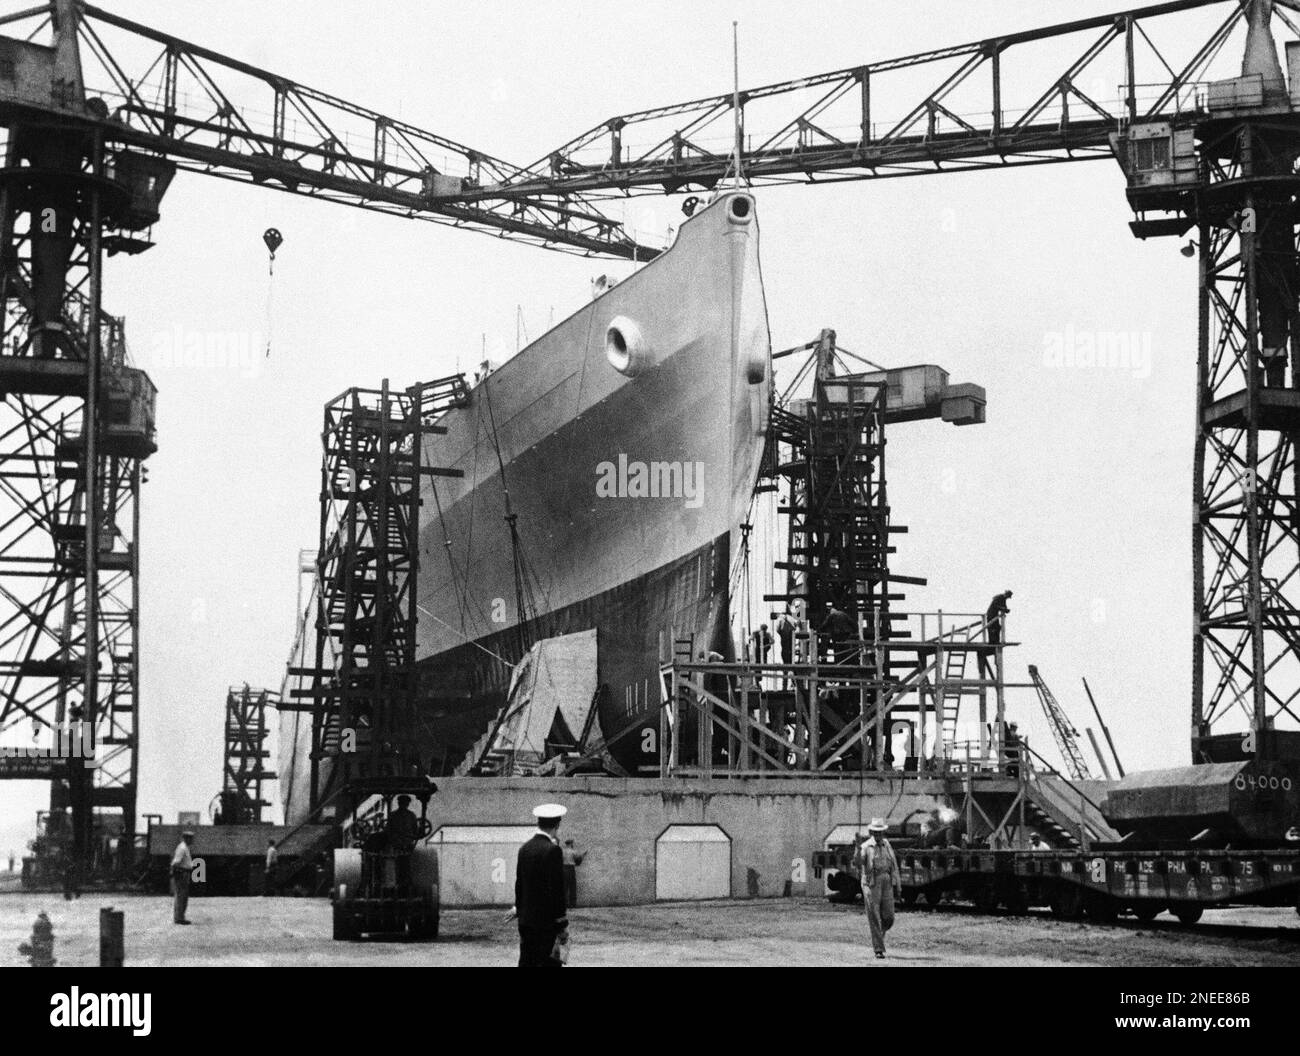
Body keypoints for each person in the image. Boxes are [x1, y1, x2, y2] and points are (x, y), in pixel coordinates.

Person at [512, 803, 570, 967]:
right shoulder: (553, 850)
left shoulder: (524, 849)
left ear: (538, 823)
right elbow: (557, 891)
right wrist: (561, 924)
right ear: (557, 824)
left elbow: (519, 885)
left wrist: (518, 908)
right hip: (546, 925)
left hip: (526, 922)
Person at [855, 818, 901, 959]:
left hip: (886, 880)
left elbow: (894, 865)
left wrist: (898, 885)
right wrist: (857, 848)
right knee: (874, 915)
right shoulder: (865, 847)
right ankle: (878, 949)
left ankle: (878, 937)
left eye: (880, 832)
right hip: (871, 882)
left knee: (889, 917)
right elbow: (858, 863)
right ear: (871, 832)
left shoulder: (887, 844)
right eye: (876, 832)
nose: (878, 835)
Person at [387, 794, 420, 891]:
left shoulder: (393, 815)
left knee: (399, 863)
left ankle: (399, 884)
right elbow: (415, 831)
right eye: (402, 803)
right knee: (404, 864)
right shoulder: (411, 815)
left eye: (404, 803)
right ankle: (404, 884)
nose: (403, 804)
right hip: (401, 844)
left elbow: (388, 830)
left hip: (399, 844)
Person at [980, 590, 1013, 677]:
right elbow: (996, 605)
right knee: (992, 629)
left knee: (997, 628)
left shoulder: (1003, 599)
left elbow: (1003, 606)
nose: (1007, 598)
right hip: (991, 615)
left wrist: (1006, 610)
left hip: (995, 615)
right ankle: (993, 642)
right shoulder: (999, 597)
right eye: (1008, 596)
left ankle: (995, 641)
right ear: (1006, 594)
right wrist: (1003, 609)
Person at [171, 830, 195, 925]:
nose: (192, 840)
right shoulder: (182, 848)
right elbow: (176, 862)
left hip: (184, 873)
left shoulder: (185, 847)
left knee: (182, 896)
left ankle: (180, 916)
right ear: (186, 838)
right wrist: (175, 873)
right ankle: (179, 918)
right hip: (182, 873)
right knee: (181, 896)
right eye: (190, 838)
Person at [562, 838, 585, 909]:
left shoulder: (562, 851)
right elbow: (578, 860)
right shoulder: (573, 852)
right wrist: (583, 855)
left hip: (563, 869)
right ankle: (572, 904)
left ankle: (564, 904)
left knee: (564, 887)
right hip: (571, 869)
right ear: (571, 844)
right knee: (572, 887)